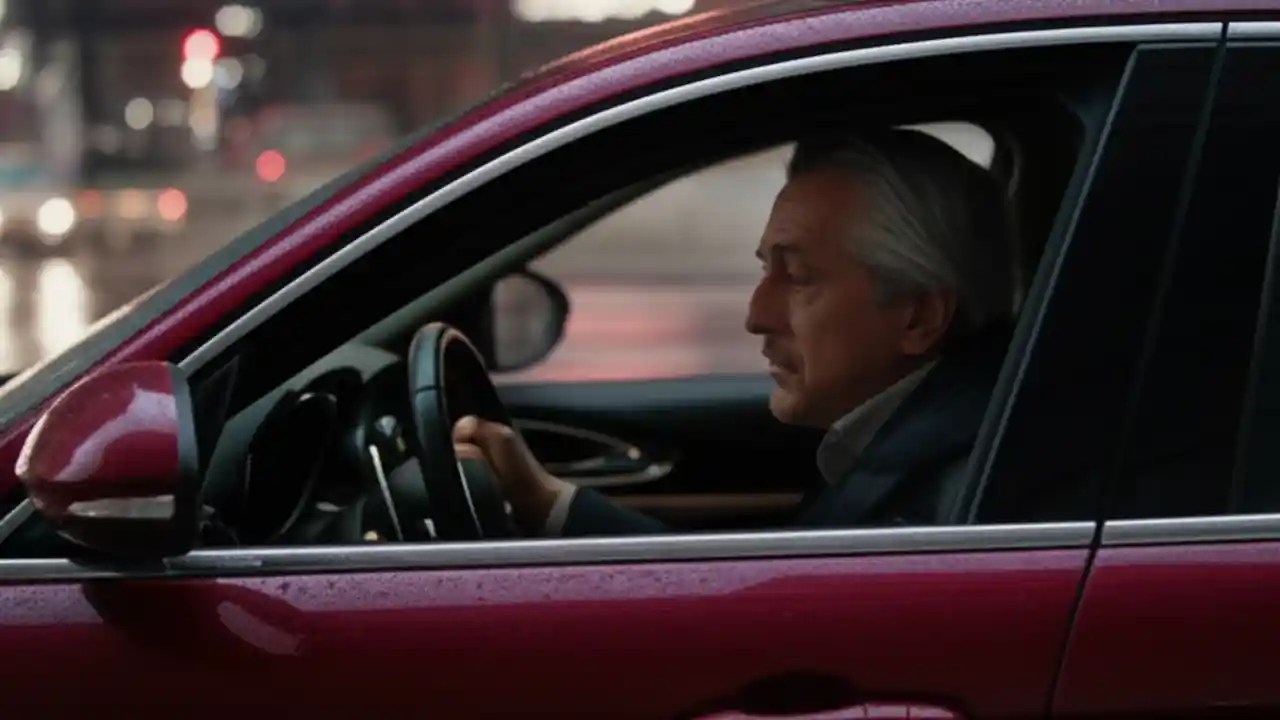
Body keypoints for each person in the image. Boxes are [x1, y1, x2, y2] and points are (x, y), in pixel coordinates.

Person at [454, 127, 1017, 535]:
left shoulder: (943, 495)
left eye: (796, 277)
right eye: (763, 269)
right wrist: (547, 499)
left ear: (917, 317)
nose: (756, 315)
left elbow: (766, 622)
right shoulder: (937, 436)